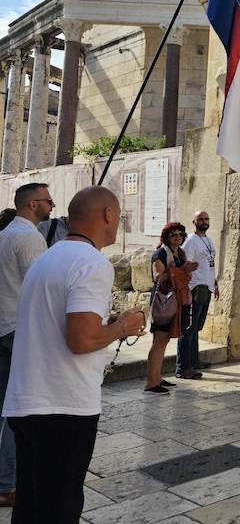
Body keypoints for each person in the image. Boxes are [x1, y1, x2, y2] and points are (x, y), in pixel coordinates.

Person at [2, 187, 145, 523]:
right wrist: (122, 326)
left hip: (29, 402)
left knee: (31, 507)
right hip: (63, 407)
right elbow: (80, 340)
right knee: (59, 508)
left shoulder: (47, 258)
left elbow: (55, 322)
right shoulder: (92, 263)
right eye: (118, 215)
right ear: (108, 215)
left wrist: (104, 325)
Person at [0, 183, 52, 507]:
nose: (53, 205)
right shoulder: (30, 237)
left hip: (3, 328)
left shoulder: (4, 235)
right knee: (17, 411)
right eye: (48, 200)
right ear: (33, 204)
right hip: (19, 332)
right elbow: (41, 289)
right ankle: (7, 483)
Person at [146, 222, 196, 393]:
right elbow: (159, 276)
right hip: (163, 301)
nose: (177, 237)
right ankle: (151, 382)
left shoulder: (179, 253)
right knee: (159, 341)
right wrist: (179, 271)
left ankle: (157, 378)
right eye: (173, 234)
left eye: (180, 234)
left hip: (174, 300)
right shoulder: (161, 253)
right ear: (166, 236)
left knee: (163, 341)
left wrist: (183, 270)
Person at [179, 211, 218, 376]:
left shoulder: (208, 240)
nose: (204, 221)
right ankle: (183, 367)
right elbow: (185, 265)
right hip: (195, 288)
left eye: (206, 219)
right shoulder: (190, 241)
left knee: (196, 328)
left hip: (207, 287)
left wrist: (214, 283)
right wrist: (187, 288)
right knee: (188, 329)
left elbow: (209, 265)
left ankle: (194, 361)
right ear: (194, 221)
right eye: (200, 219)